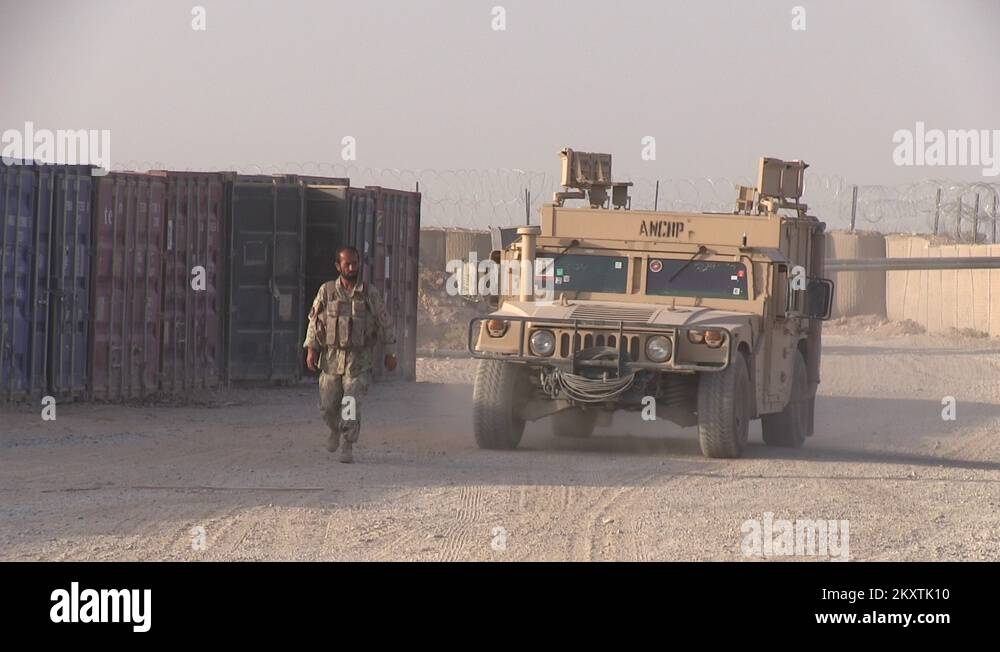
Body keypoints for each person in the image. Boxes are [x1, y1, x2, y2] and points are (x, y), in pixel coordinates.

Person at [303, 246, 397, 463]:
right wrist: (311, 349)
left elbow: (385, 323)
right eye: (348, 264)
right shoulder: (326, 292)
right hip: (331, 359)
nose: (352, 268)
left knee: (350, 402)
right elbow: (314, 322)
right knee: (328, 406)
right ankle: (334, 430)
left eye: (355, 263)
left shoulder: (369, 293)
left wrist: (391, 352)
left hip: (358, 360)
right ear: (339, 266)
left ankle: (347, 443)